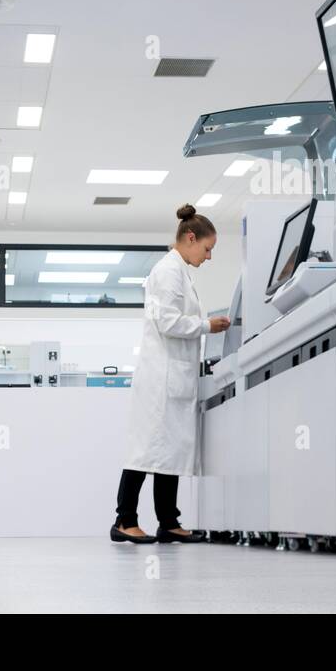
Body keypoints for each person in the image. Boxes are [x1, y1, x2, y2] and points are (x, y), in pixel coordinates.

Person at [112, 204, 232, 544]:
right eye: (207, 249)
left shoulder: (178, 272)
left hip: (171, 377)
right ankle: (124, 520)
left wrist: (204, 327)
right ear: (190, 238)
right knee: (146, 450)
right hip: (160, 379)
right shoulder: (167, 272)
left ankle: (168, 520)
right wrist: (207, 325)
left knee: (168, 451)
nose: (208, 257)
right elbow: (166, 322)